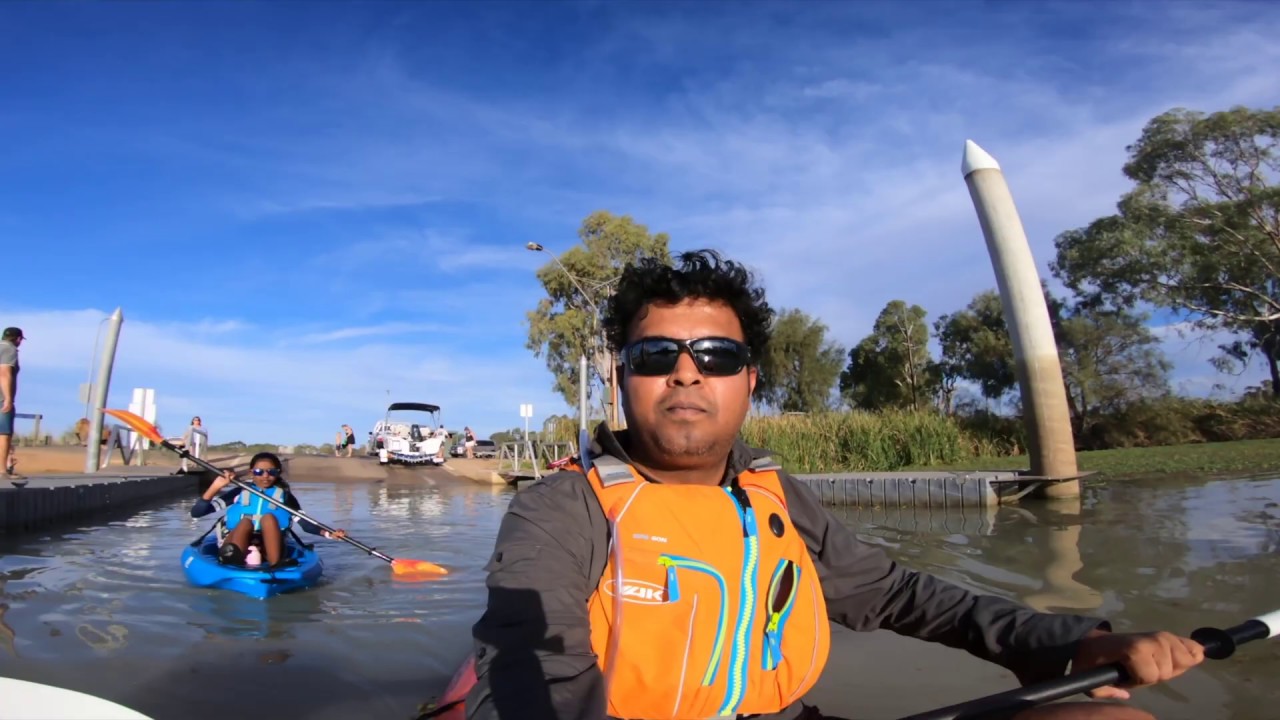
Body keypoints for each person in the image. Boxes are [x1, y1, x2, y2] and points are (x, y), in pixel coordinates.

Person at [463, 250, 1204, 720]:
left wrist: (1072, 642)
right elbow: (535, 660)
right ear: (622, 377)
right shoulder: (560, 510)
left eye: (717, 355)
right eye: (658, 353)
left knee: (1107, 719)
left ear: (749, 381)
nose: (687, 372)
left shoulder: (776, 493)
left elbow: (894, 595)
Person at [191, 451, 346, 567]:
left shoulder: (284, 496)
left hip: (269, 545)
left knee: (269, 518)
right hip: (236, 543)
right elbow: (197, 513)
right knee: (245, 522)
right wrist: (216, 486)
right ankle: (232, 561)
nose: (265, 476)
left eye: (271, 472)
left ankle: (275, 564)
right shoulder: (239, 491)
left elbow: (305, 524)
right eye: (259, 472)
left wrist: (328, 533)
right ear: (251, 472)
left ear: (278, 473)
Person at [0, 327, 24, 481]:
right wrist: (8, 398)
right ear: (18, 339)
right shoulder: (9, 350)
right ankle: (2, 470)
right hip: (1, 399)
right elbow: (4, 373)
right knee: (4, 434)